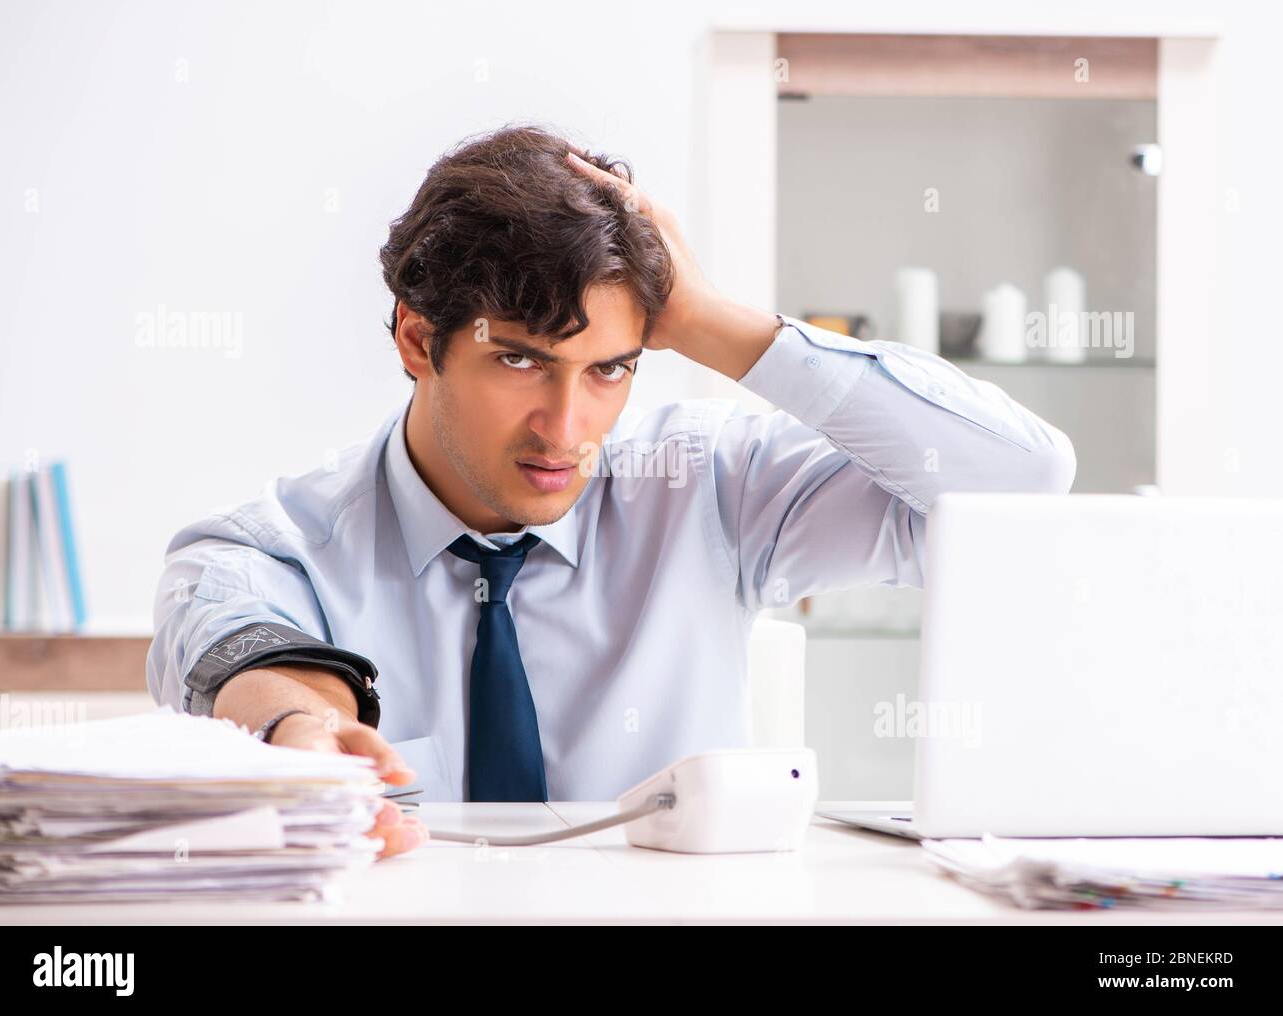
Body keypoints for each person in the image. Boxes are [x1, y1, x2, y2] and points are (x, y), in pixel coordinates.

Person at [147, 125, 1076, 859]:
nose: (567, 428)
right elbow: (241, 650)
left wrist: (712, 321)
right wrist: (303, 725)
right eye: (520, 359)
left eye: (610, 369)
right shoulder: (273, 544)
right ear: (418, 341)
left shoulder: (708, 487)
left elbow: (1020, 482)